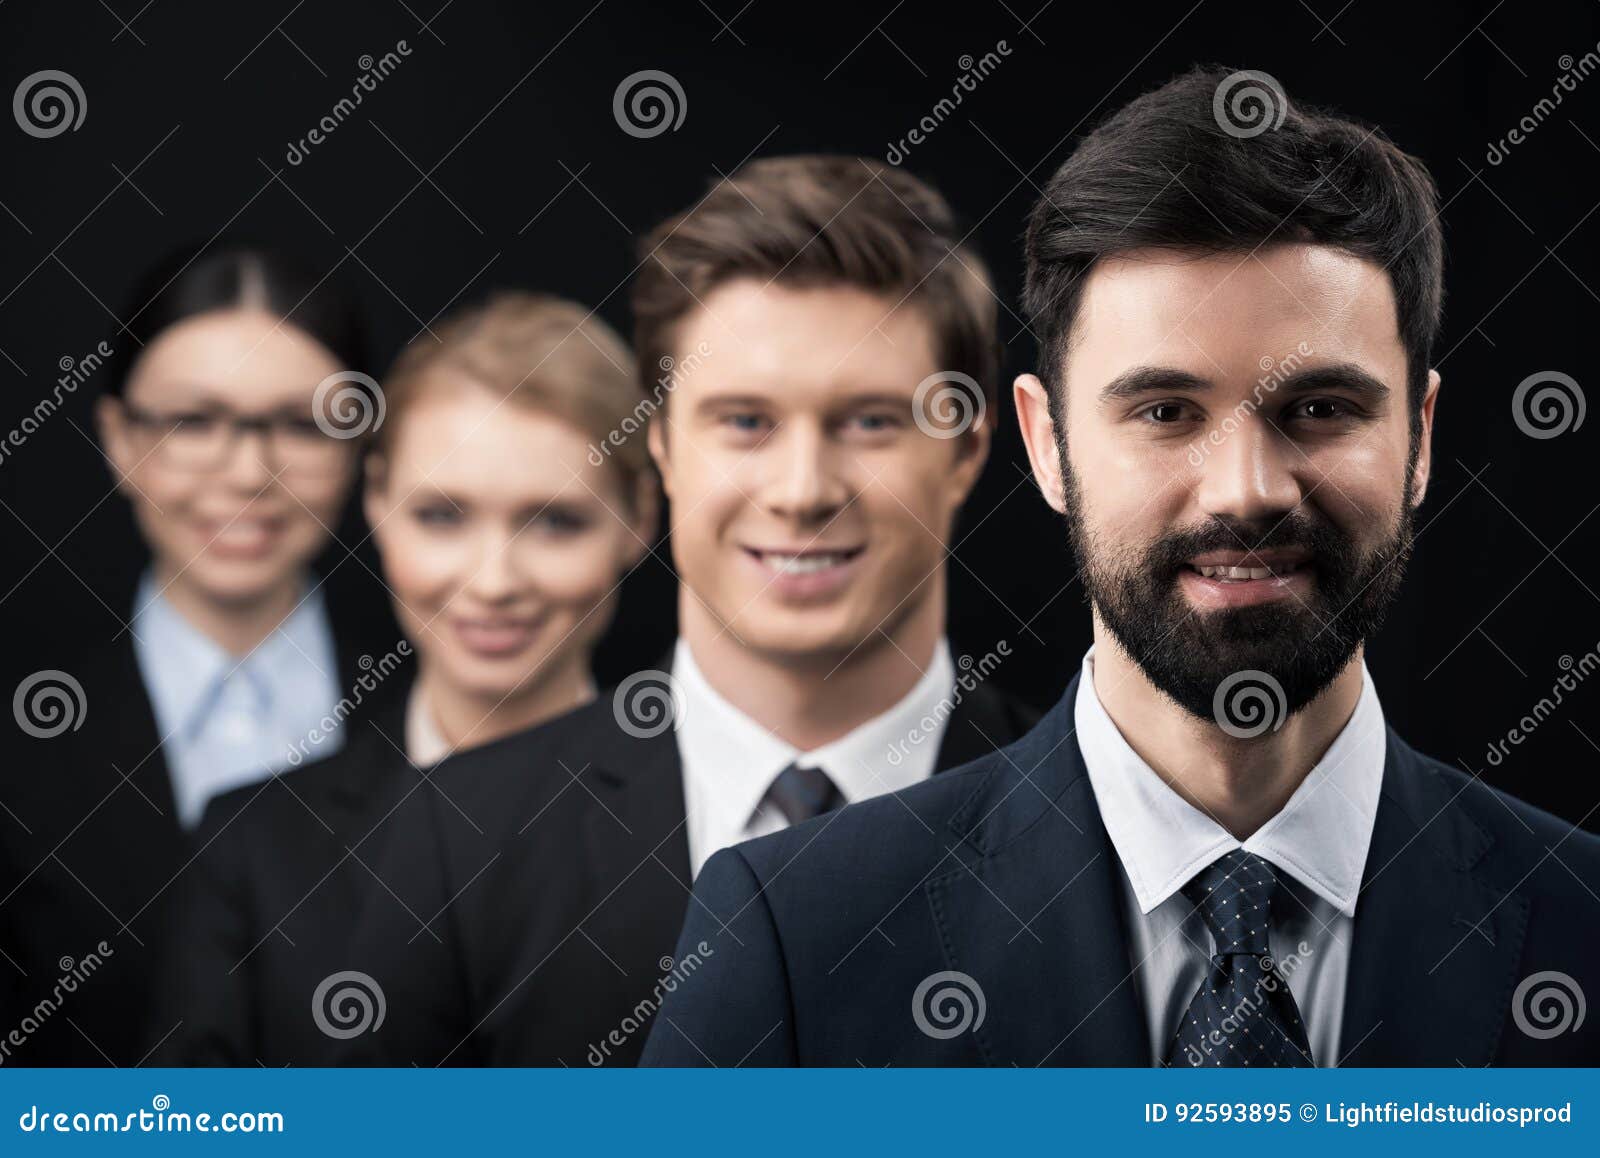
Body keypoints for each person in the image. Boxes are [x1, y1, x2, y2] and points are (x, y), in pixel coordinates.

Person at [641, 68, 1600, 1067]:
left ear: (1420, 437)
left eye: (1319, 409)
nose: (1242, 490)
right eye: (1163, 413)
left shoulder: (1578, 930)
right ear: (1047, 444)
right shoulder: (795, 940)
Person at [336, 155, 1038, 1067]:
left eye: (868, 420)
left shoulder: (1096, 832)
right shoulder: (452, 839)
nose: (801, 491)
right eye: (744, 421)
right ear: (660, 444)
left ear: (966, 449)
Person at [155, 292, 656, 1064]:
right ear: (378, 501)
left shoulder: (721, 817)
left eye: (555, 521)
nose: (493, 581)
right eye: (443, 516)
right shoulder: (253, 848)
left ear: (640, 518)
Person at [0, 243, 394, 1066]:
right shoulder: (16, 747)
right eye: (192, 421)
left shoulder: (447, 721)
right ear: (118, 436)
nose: (249, 471)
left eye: (301, 423)